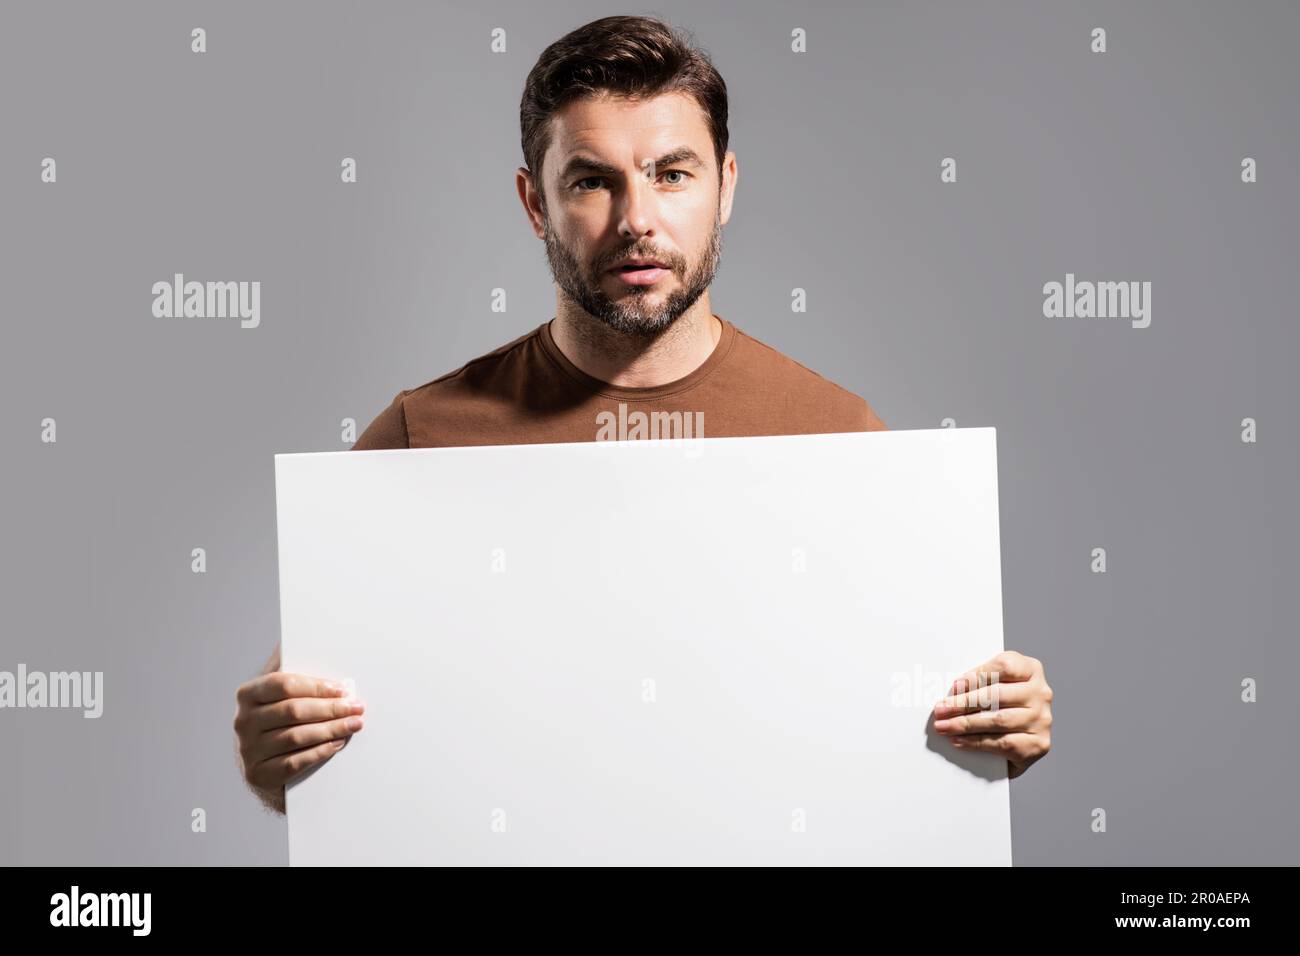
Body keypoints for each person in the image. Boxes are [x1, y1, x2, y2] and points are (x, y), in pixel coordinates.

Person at [234, 14, 1052, 816]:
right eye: (593, 180)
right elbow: (312, 759)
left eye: (672, 173)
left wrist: (1000, 724)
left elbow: (921, 745)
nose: (637, 221)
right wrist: (275, 759)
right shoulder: (423, 436)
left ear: (725, 186)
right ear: (534, 203)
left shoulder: (839, 436)